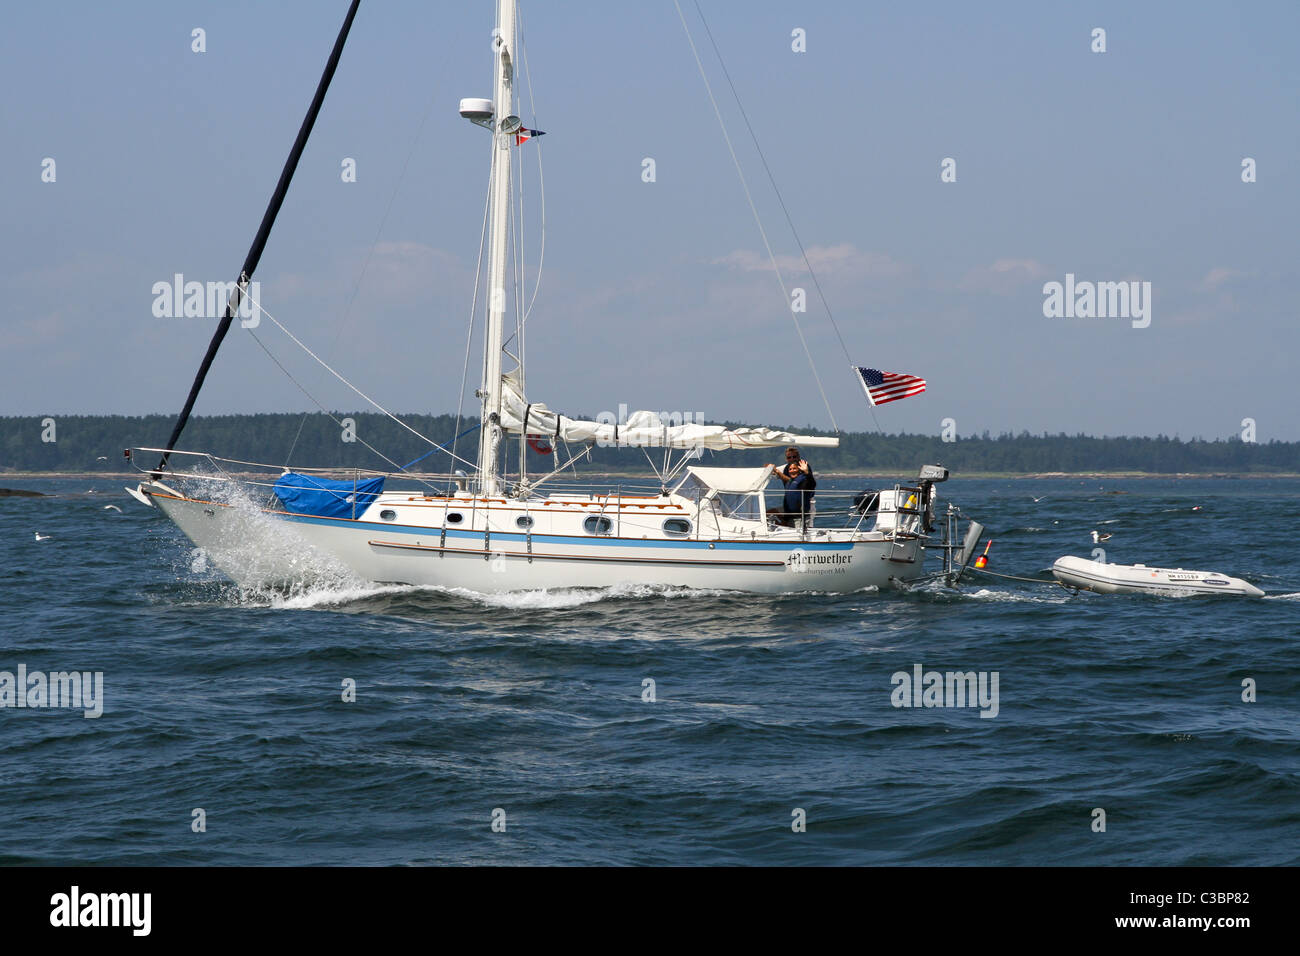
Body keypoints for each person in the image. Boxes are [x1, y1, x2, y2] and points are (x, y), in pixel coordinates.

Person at [768, 446, 816, 528]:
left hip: (804, 505)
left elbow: (809, 482)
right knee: (770, 513)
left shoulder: (803, 467)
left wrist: (778, 473)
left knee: (805, 526)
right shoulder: (787, 467)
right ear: (786, 459)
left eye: (794, 457)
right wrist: (771, 469)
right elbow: (789, 480)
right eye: (789, 457)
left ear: (798, 457)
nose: (792, 459)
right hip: (790, 506)